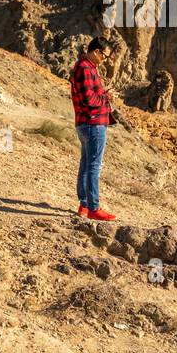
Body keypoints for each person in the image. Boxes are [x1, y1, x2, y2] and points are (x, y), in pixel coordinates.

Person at [70, 37, 117, 221]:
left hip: (85, 123)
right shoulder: (85, 68)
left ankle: (84, 205)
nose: (104, 60)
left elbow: (88, 95)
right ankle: (93, 207)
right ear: (96, 51)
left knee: (86, 165)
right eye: (104, 56)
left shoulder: (84, 67)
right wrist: (106, 99)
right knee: (93, 166)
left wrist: (104, 94)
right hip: (93, 124)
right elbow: (89, 100)